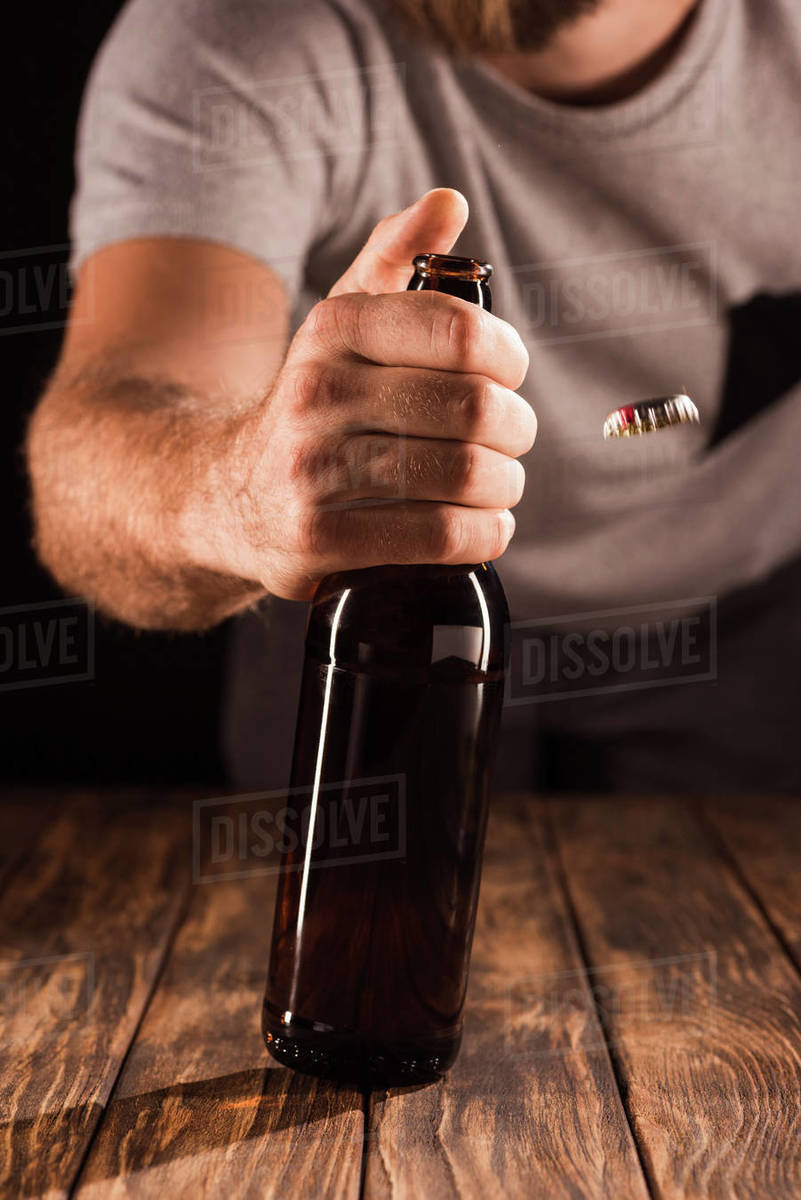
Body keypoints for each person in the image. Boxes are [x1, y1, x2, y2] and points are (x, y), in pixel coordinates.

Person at [26, 0, 801, 793]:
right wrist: (244, 497)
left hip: (745, 640)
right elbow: (101, 445)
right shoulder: (228, 30)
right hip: (371, 629)